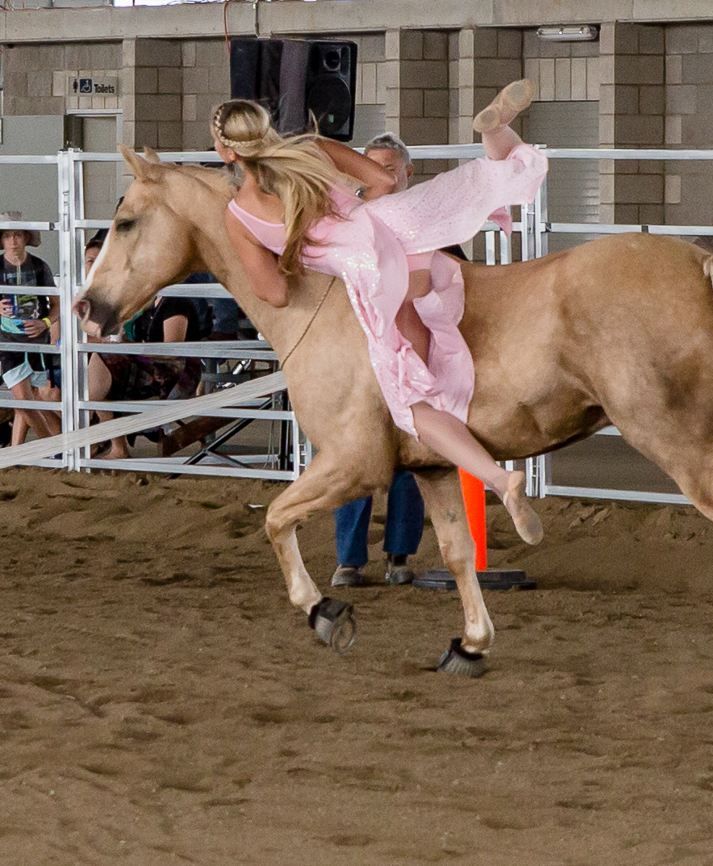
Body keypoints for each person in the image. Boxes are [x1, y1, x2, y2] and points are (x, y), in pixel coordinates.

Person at [216, 82, 547, 544]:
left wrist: (299, 254)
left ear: (225, 151)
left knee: (412, 404)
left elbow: (273, 294)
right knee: (481, 185)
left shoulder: (239, 214)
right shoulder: (311, 149)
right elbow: (385, 181)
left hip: (373, 273)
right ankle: (497, 139)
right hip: (401, 228)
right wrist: (362, 220)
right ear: (267, 129)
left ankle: (499, 478)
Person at [330, 132, 433, 579]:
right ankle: (349, 558)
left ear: (408, 172)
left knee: (412, 454)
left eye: (389, 168)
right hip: (359, 356)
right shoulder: (348, 224)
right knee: (354, 452)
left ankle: (400, 555)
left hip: (413, 356)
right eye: (369, 167)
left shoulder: (431, 226)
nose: (381, 177)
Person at [0, 216, 60, 444]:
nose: (13, 241)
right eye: (7, 235)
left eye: (17, 235)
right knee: (23, 401)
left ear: (26, 238)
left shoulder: (40, 266)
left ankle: (17, 451)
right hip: (7, 341)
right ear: (0, 240)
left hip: (36, 340)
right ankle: (54, 447)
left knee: (32, 399)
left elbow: (57, 305)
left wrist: (44, 323)